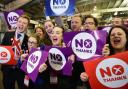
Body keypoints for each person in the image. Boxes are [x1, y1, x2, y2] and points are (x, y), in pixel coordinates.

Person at [1, 15, 30, 89]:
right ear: (17, 23)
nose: (21, 24)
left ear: (27, 26)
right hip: (7, 70)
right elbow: (2, 49)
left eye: (24, 23)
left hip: (21, 71)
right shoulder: (7, 34)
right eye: (20, 22)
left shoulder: (28, 39)